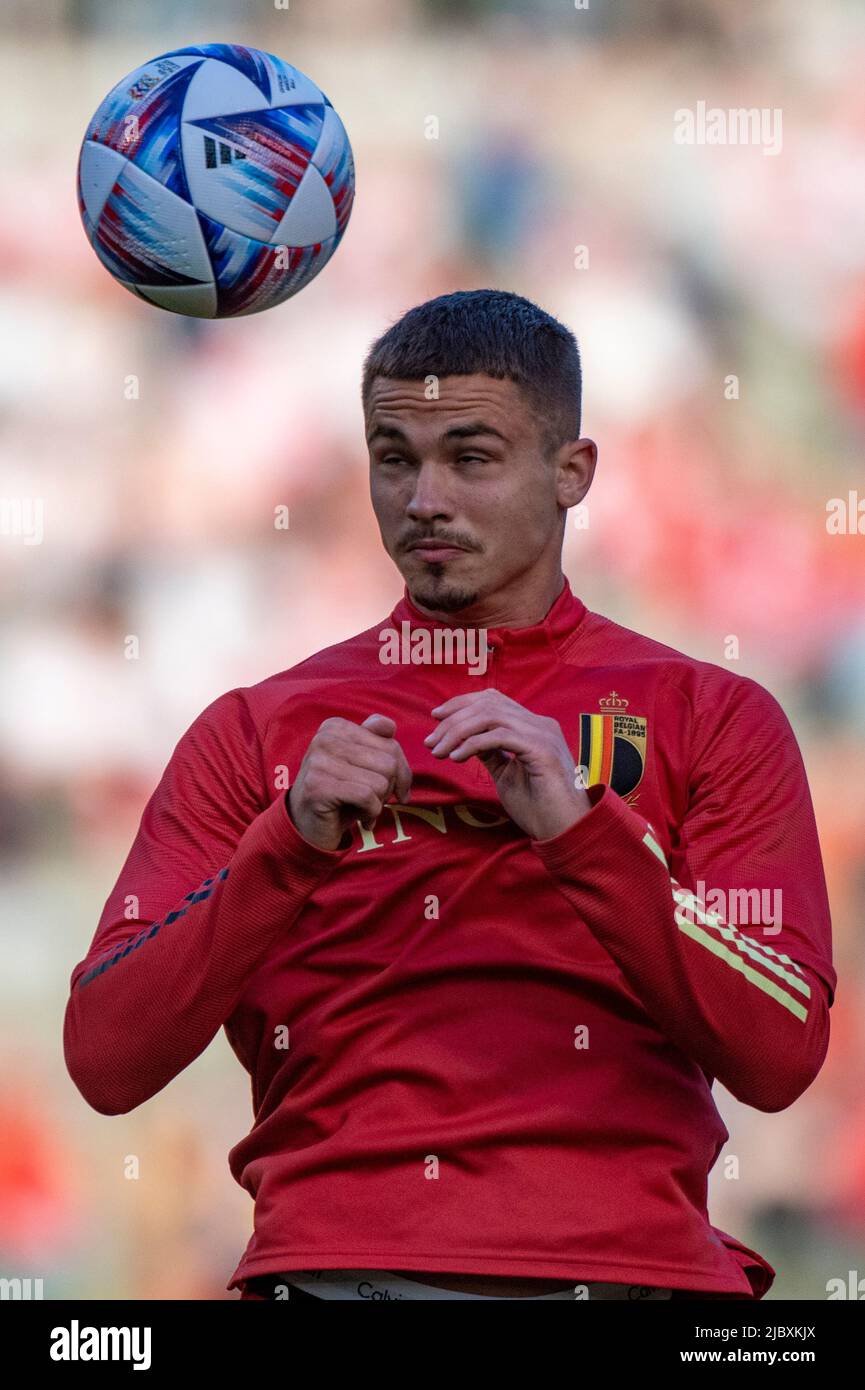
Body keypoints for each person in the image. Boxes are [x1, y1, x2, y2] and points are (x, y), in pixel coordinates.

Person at [63, 289, 835, 1301]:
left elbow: (778, 1052)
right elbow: (105, 1058)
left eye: (470, 458)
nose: (424, 496)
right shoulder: (256, 730)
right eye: (394, 457)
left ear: (573, 472)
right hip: (335, 1272)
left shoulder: (708, 714)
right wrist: (287, 845)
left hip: (632, 1274)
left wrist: (583, 830)